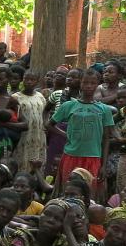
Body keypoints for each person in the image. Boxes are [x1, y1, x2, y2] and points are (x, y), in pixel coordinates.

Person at [47, 69, 113, 197]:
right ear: (80, 84)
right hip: (71, 155)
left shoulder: (104, 109)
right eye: (85, 82)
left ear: (97, 84)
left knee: (89, 192)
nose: (89, 86)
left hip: (93, 157)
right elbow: (50, 124)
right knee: (67, 190)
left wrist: (103, 165)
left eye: (93, 83)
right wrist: (65, 134)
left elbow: (106, 138)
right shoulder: (69, 105)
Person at [14, 69, 48, 175]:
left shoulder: (40, 97)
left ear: (37, 81)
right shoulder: (16, 97)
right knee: (22, 160)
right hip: (23, 136)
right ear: (22, 80)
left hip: (38, 135)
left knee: (37, 163)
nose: (29, 82)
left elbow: (45, 114)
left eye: (32, 79)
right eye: (26, 79)